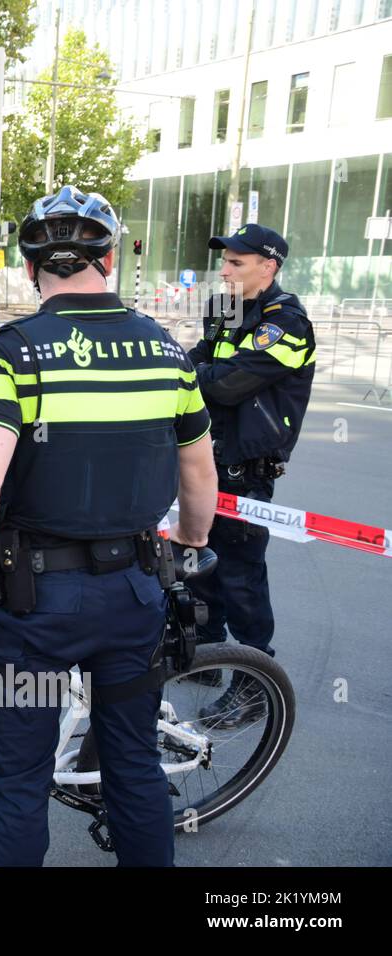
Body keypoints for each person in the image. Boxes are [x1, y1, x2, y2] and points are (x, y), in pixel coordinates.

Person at [0, 185, 219, 866]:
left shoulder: (12, 353)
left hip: (33, 616)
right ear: (108, 260)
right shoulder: (167, 353)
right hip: (135, 599)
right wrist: (192, 547)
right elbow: (200, 474)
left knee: (19, 783)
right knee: (133, 766)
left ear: (28, 269)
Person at [185, 224, 315, 725]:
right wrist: (192, 371)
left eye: (237, 263)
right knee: (198, 560)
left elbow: (229, 385)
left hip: (244, 468)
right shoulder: (225, 308)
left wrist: (190, 375)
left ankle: (255, 682)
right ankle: (207, 656)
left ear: (270, 266)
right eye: (225, 260)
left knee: (241, 575)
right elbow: (201, 361)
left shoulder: (288, 322)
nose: (225, 270)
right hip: (205, 456)